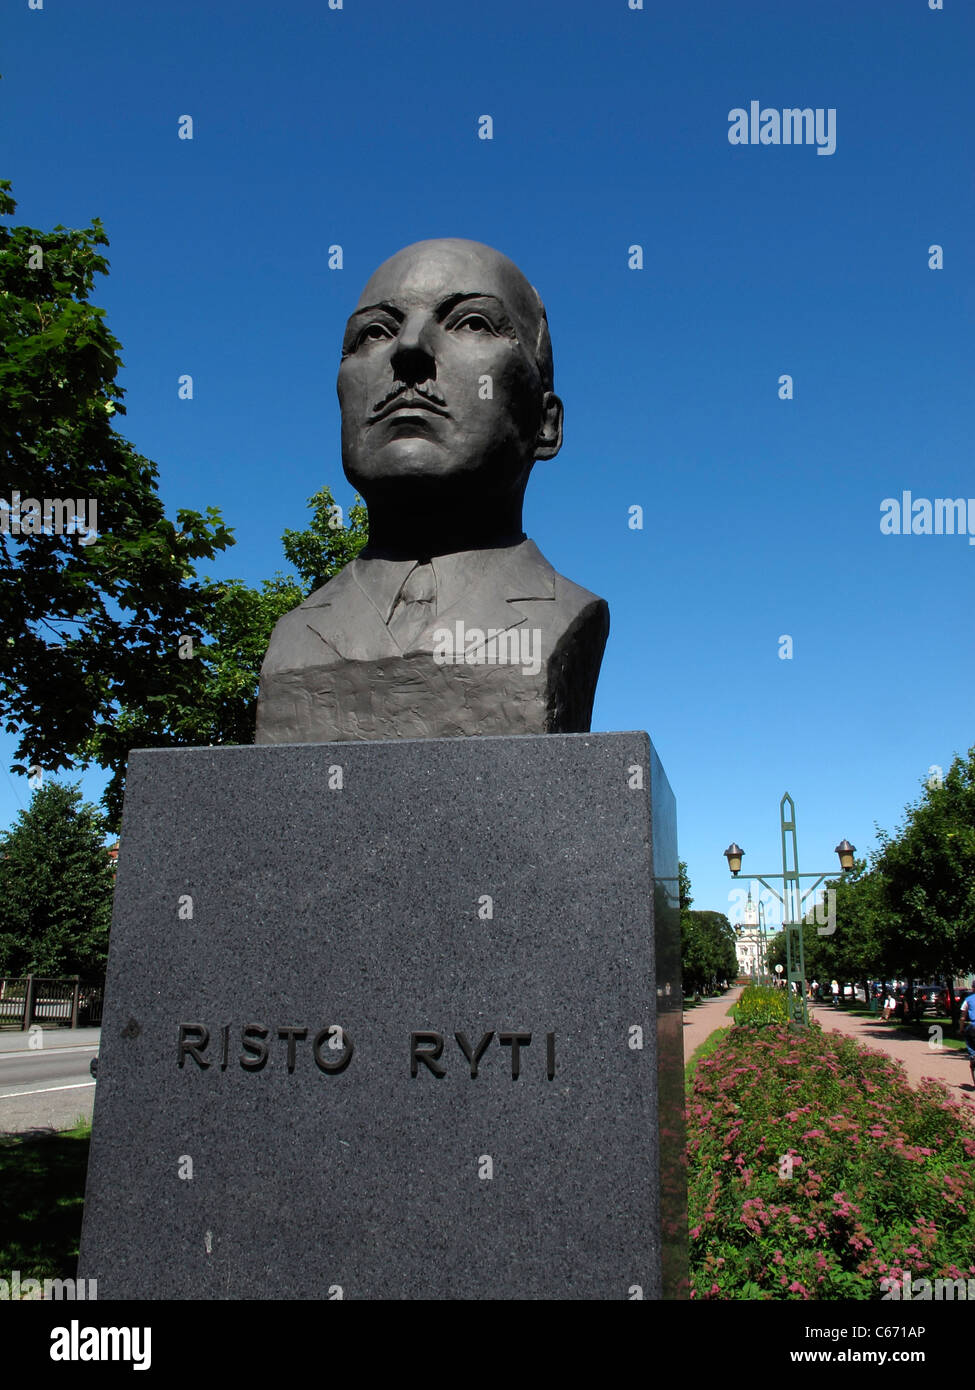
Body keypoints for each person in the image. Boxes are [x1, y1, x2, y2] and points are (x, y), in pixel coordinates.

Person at [256, 239, 610, 744]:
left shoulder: (569, 616)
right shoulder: (293, 635)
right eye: (375, 332)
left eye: (471, 322)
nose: (408, 349)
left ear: (545, 425)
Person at [959, 992, 975, 1087]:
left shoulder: (968, 1000)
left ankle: (973, 1055)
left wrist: (961, 1029)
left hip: (973, 1026)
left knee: (968, 1038)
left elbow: (962, 1017)